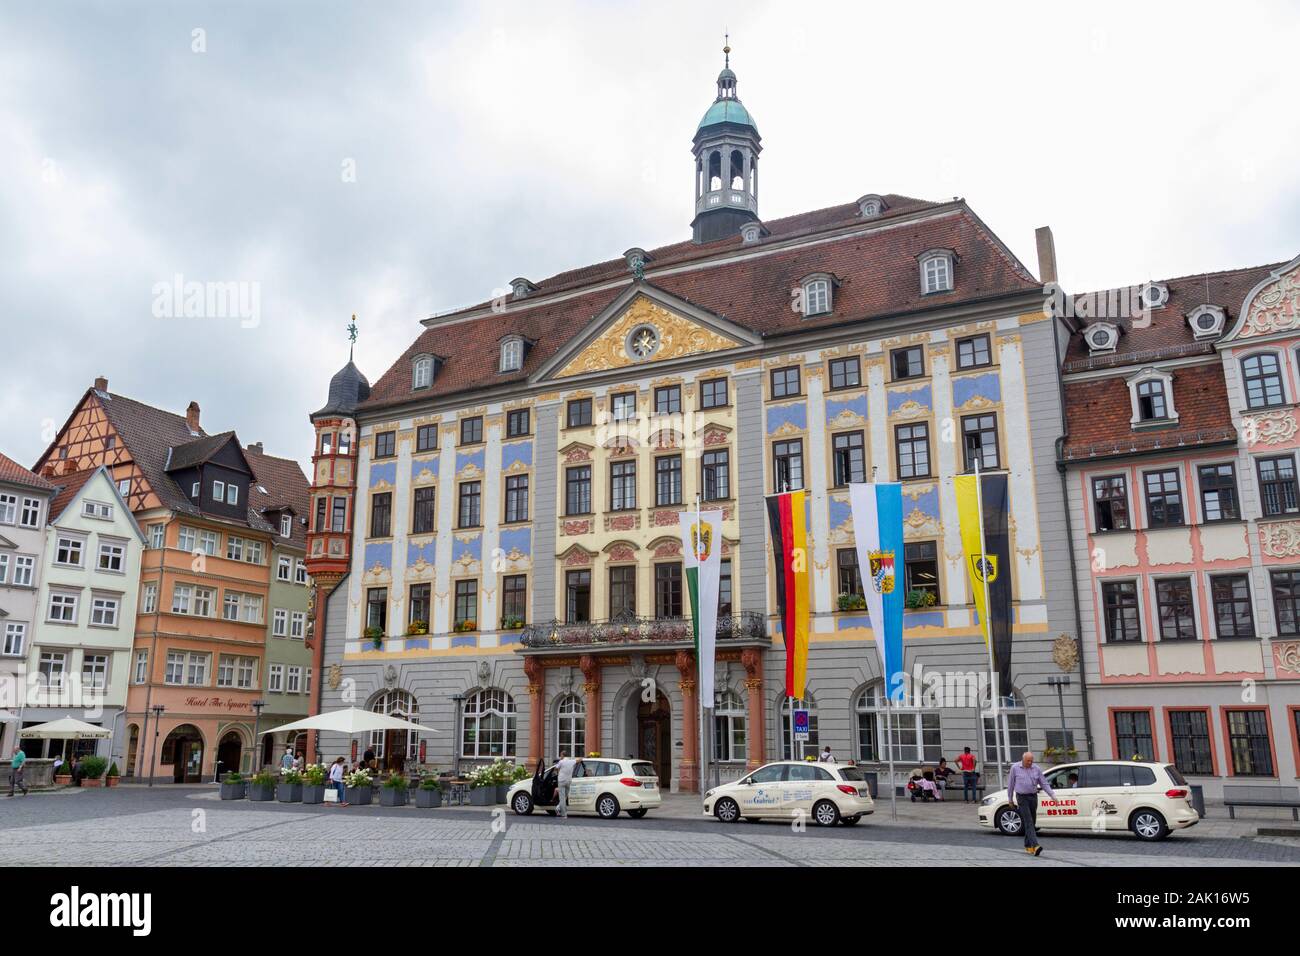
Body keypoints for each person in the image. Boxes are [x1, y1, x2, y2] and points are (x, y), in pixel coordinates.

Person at [1006, 751, 1055, 856]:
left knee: (1032, 821)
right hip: (1021, 797)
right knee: (1028, 821)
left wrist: (1052, 796)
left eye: (1031, 761)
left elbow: (1044, 783)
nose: (1030, 763)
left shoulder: (1036, 768)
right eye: (1028, 761)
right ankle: (1035, 845)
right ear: (1023, 760)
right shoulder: (1015, 768)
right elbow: (1010, 784)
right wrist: (1010, 799)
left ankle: (1028, 846)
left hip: (1033, 796)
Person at [553, 751, 581, 819]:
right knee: (565, 797)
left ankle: (564, 814)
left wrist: (558, 770)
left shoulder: (561, 762)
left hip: (561, 781)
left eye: (560, 755)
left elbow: (555, 768)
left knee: (562, 798)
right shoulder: (571, 761)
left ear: (562, 755)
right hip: (568, 781)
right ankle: (558, 807)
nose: (560, 757)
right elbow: (579, 759)